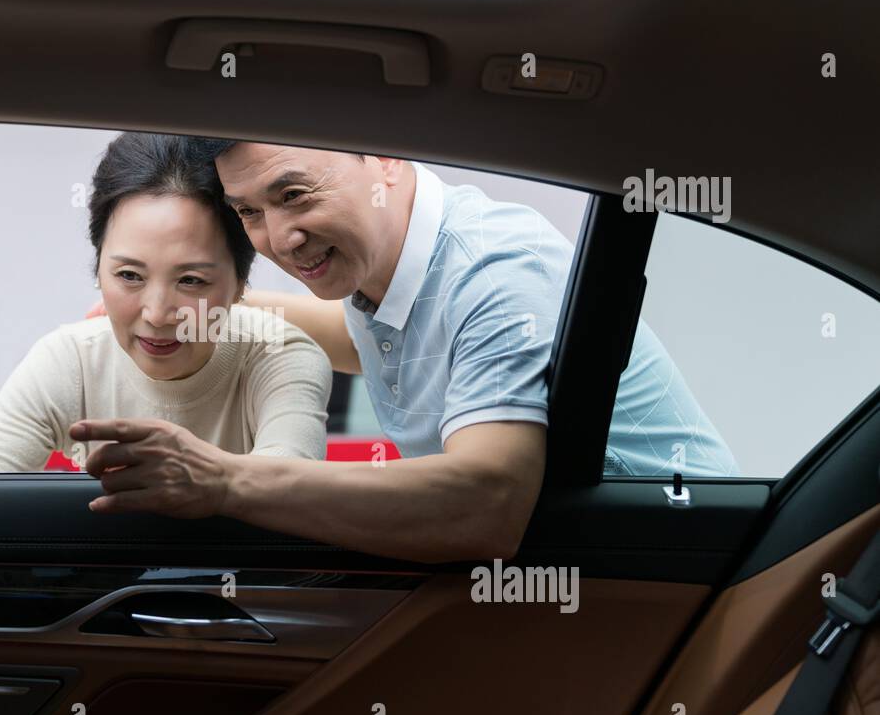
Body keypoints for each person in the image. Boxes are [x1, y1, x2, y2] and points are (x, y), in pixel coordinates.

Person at [69, 141, 735, 562]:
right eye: (248, 212)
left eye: (294, 194)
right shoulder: (384, 269)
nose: (279, 237)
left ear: (386, 156)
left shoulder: (494, 272)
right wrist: (200, 310)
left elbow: (488, 501)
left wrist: (222, 479)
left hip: (683, 581)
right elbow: (350, 337)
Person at [0, 133, 331, 475]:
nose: (158, 314)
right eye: (129, 276)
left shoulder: (279, 356)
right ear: (97, 268)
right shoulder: (71, 362)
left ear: (240, 285)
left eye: (191, 280)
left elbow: (288, 489)